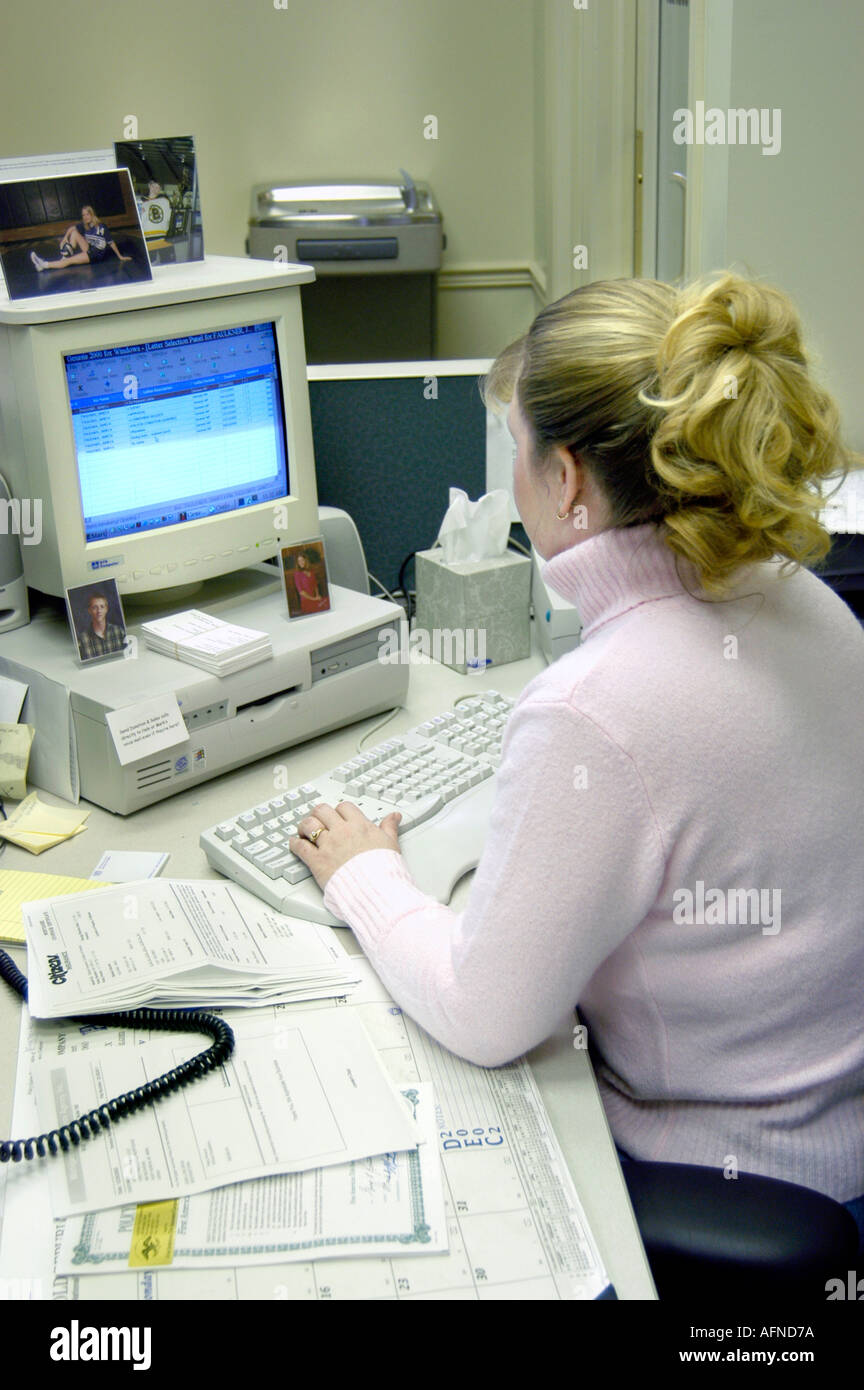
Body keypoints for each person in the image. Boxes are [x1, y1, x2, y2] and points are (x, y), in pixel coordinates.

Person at [288, 271, 864, 1242]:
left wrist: (367, 876)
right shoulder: (808, 602)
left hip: (730, 1178)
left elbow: (486, 1013)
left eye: (515, 444)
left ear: (565, 479)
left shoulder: (595, 710)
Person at [31, 205, 132, 272]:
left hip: (95, 255)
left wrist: (120, 257)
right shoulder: (85, 225)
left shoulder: (102, 227)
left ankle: (44, 265)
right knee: (74, 233)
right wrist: (65, 238)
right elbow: (71, 228)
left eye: (87, 214)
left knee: (69, 261)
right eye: (83, 215)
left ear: (92, 214)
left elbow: (111, 243)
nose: (85, 217)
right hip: (89, 248)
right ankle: (65, 256)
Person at [76, 591, 126, 661]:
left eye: (102, 607)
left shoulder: (119, 631)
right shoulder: (82, 639)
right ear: (89, 610)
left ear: (106, 609)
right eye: (94, 607)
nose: (99, 611)